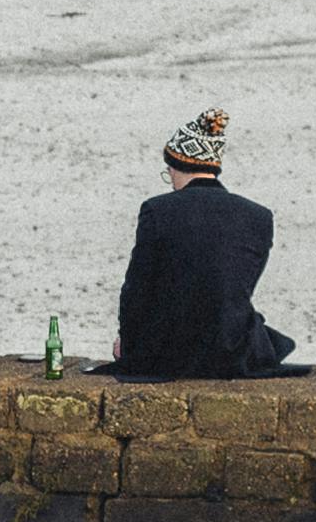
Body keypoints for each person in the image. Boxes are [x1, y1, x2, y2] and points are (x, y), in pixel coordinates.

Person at [114, 107, 295, 380]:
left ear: (177, 166)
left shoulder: (157, 210)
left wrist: (126, 341)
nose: (170, 180)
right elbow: (233, 290)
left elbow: (137, 290)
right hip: (232, 349)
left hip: (169, 352)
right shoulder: (259, 216)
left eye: (169, 172)